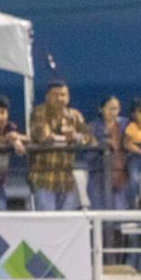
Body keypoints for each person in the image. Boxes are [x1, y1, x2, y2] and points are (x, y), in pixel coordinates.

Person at [28, 79, 94, 211]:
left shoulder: (75, 115)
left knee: (66, 223)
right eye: (55, 95)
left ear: (68, 97)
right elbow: (44, 136)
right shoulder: (39, 112)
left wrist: (76, 136)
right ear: (47, 97)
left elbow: (90, 138)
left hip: (66, 179)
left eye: (63, 95)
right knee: (48, 222)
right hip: (44, 178)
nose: (59, 98)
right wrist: (67, 138)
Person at [87, 95, 129, 209]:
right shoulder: (93, 126)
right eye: (109, 108)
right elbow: (87, 152)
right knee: (99, 207)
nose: (112, 112)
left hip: (119, 171)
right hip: (98, 172)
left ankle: (116, 226)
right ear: (101, 109)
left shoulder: (125, 124)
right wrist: (102, 144)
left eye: (115, 108)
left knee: (118, 207)